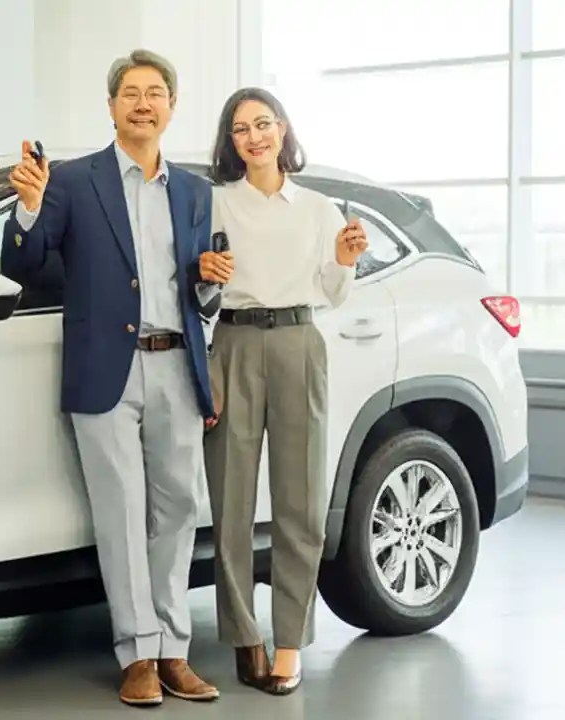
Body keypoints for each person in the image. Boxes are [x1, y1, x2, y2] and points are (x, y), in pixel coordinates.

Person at [0, 49, 233, 707]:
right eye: (130, 92)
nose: (143, 102)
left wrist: (212, 285)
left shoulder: (193, 192)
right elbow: (25, 263)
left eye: (155, 91)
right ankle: (136, 652)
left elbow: (201, 291)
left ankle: (174, 651)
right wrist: (28, 206)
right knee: (121, 514)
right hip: (106, 369)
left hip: (176, 365)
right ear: (111, 107)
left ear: (171, 106)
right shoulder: (74, 181)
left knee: (178, 512)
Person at [203, 87, 368, 696]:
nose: (255, 136)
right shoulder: (215, 204)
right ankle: (245, 636)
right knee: (230, 505)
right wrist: (201, 272)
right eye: (241, 128)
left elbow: (331, 291)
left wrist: (346, 259)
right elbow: (196, 286)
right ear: (230, 141)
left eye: (263, 124)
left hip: (299, 343)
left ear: (283, 129)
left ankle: (289, 645)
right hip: (235, 345)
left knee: (299, 504)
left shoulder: (318, 209)